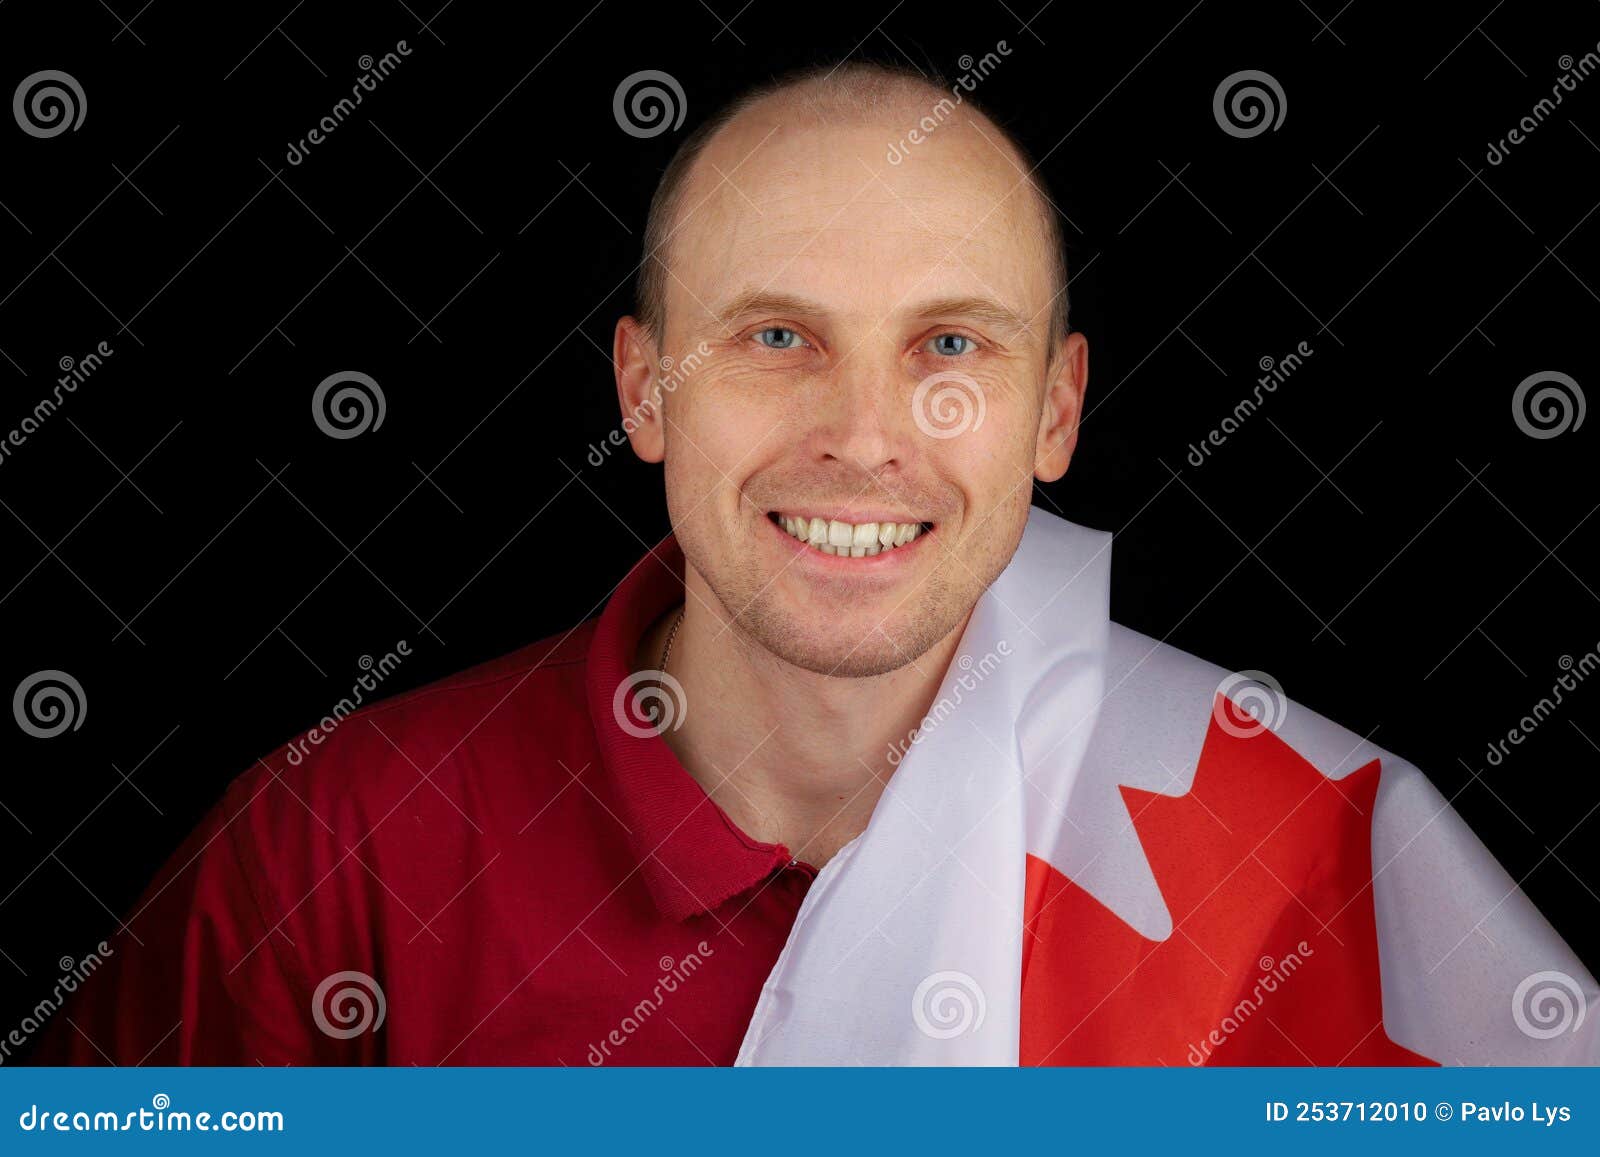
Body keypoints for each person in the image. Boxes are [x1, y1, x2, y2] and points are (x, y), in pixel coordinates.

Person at [35, 61, 1596, 1067]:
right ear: (646, 388)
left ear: (1055, 411)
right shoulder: (329, 847)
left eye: (950, 346)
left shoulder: (1301, 854)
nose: (866, 433)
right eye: (778, 337)